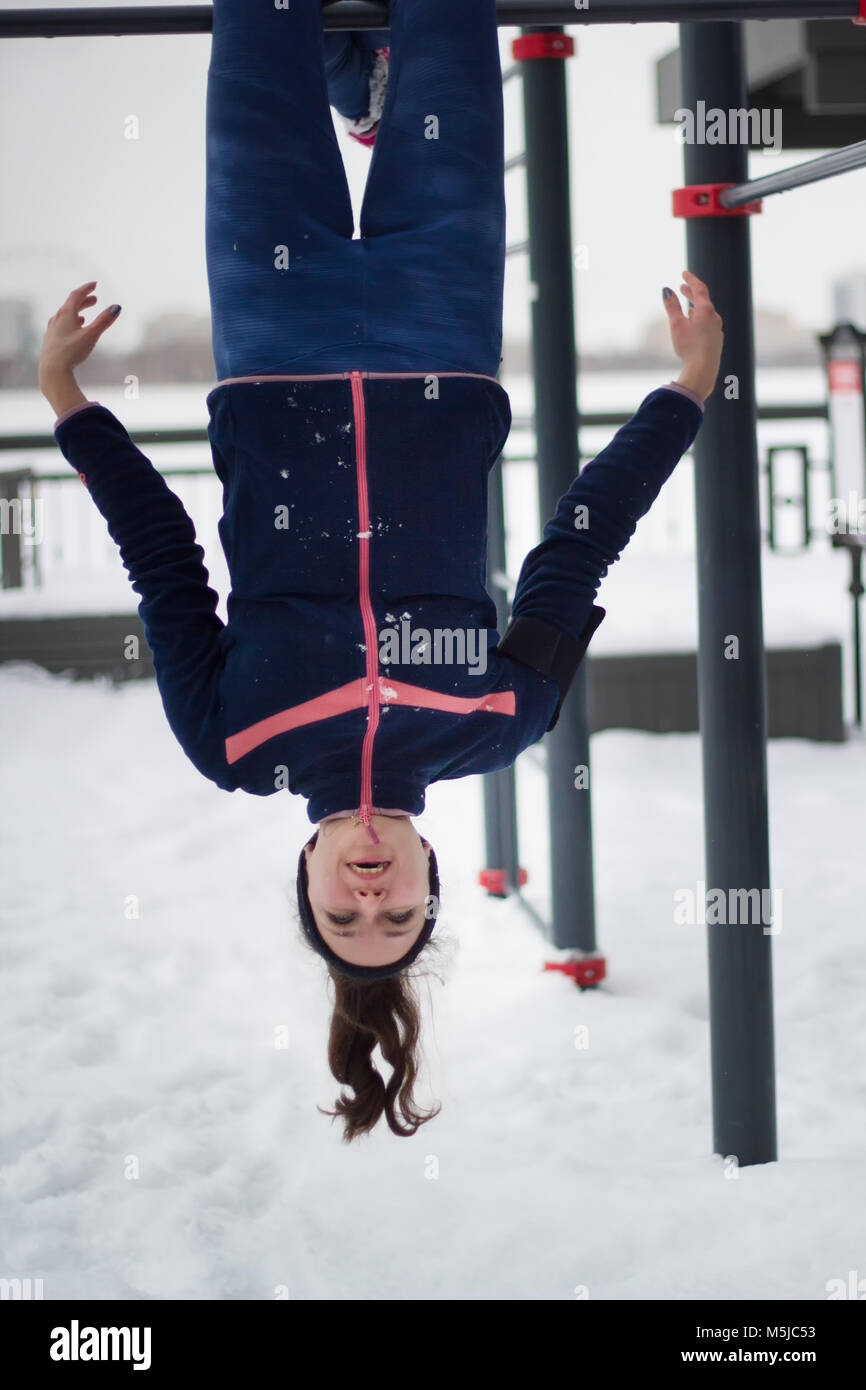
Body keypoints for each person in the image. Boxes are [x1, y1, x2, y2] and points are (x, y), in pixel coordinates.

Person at [38, 1, 723, 1142]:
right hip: (438, 327)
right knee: (451, 8)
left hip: (271, 331)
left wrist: (67, 404)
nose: (368, 895)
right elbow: (576, 549)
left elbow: (162, 560)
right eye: (394, 910)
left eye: (343, 915)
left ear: (306, 877)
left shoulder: (234, 742)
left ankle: (356, 78)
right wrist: (684, 395)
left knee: (256, 11)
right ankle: (372, 76)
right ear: (426, 877)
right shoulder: (498, 719)